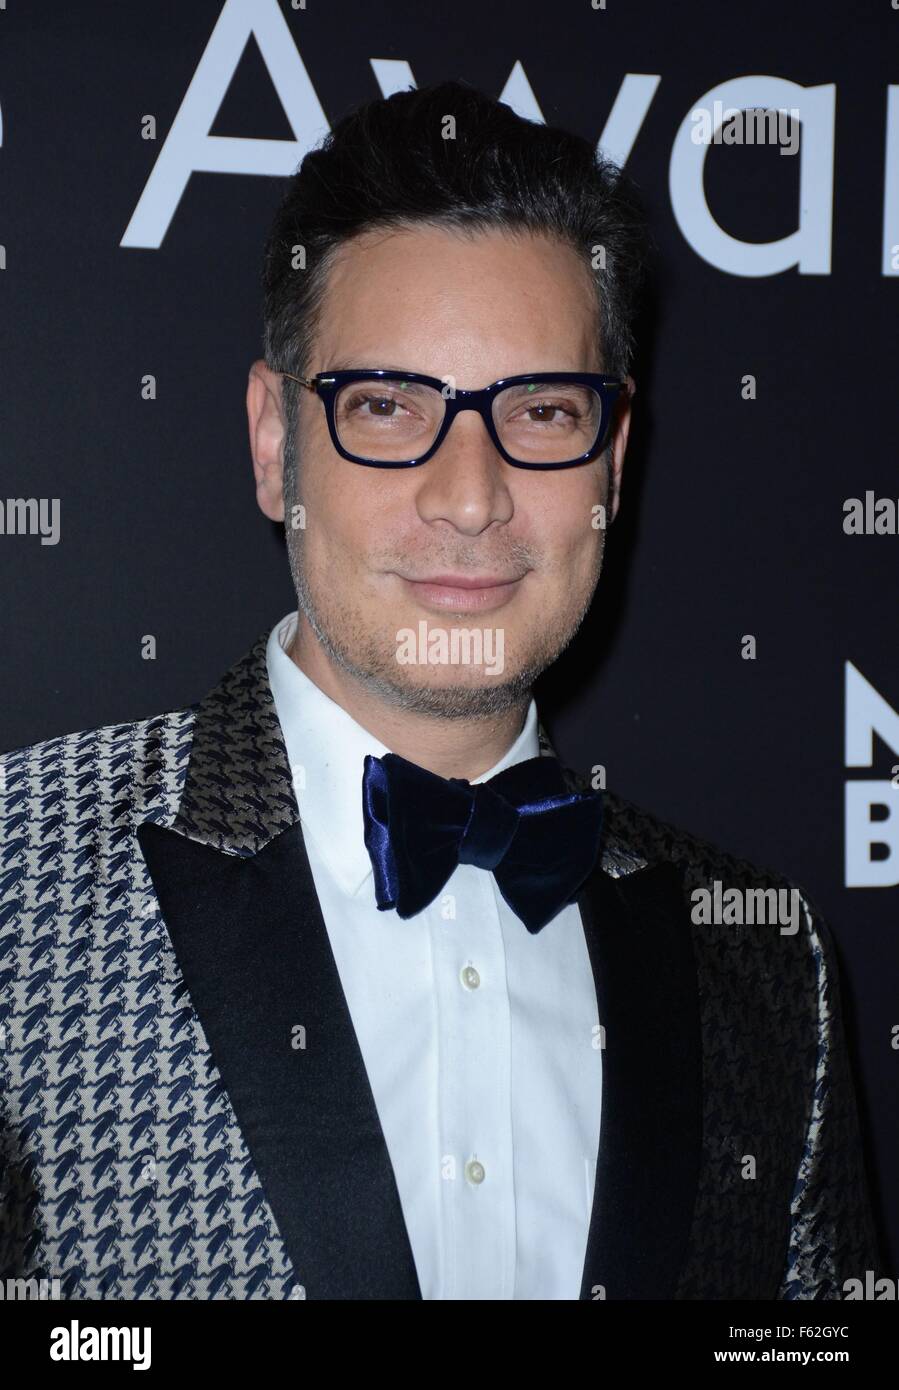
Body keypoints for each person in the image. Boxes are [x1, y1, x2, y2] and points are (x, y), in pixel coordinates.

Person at [0, 80, 879, 1300]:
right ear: (273, 443)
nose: (469, 496)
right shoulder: (15, 880)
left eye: (542, 411)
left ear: (611, 469)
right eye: (388, 407)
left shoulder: (767, 966)